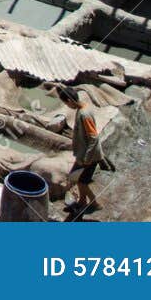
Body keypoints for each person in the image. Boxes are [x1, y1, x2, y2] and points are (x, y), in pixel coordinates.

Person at [63, 87, 110, 216]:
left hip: (89, 156)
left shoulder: (84, 114)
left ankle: (94, 204)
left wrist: (87, 158)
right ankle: (83, 202)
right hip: (84, 154)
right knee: (79, 180)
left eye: (66, 104)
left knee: (80, 181)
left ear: (69, 100)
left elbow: (93, 137)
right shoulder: (83, 108)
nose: (67, 106)